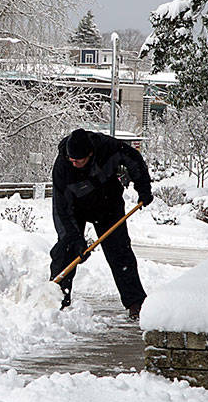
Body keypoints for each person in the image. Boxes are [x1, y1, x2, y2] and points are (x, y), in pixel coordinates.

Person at [50, 128, 153, 320]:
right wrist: (75, 239)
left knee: (120, 252)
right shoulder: (62, 167)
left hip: (108, 205)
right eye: (71, 159)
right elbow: (62, 210)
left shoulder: (107, 147)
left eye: (78, 160)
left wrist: (143, 187)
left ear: (90, 154)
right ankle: (55, 301)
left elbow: (133, 159)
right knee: (66, 250)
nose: (74, 163)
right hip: (75, 209)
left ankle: (135, 302)